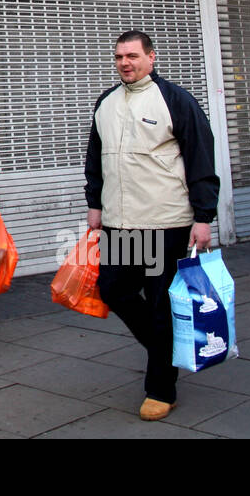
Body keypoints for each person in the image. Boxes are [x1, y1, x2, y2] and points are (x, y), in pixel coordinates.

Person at [84, 30, 219, 420]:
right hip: (121, 224)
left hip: (166, 222)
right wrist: (95, 204)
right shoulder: (106, 103)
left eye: (132, 56)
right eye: (119, 57)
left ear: (151, 57)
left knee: (161, 306)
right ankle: (169, 348)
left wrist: (203, 216)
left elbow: (200, 158)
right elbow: (96, 159)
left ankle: (161, 388)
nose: (125, 63)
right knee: (114, 289)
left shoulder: (175, 100)